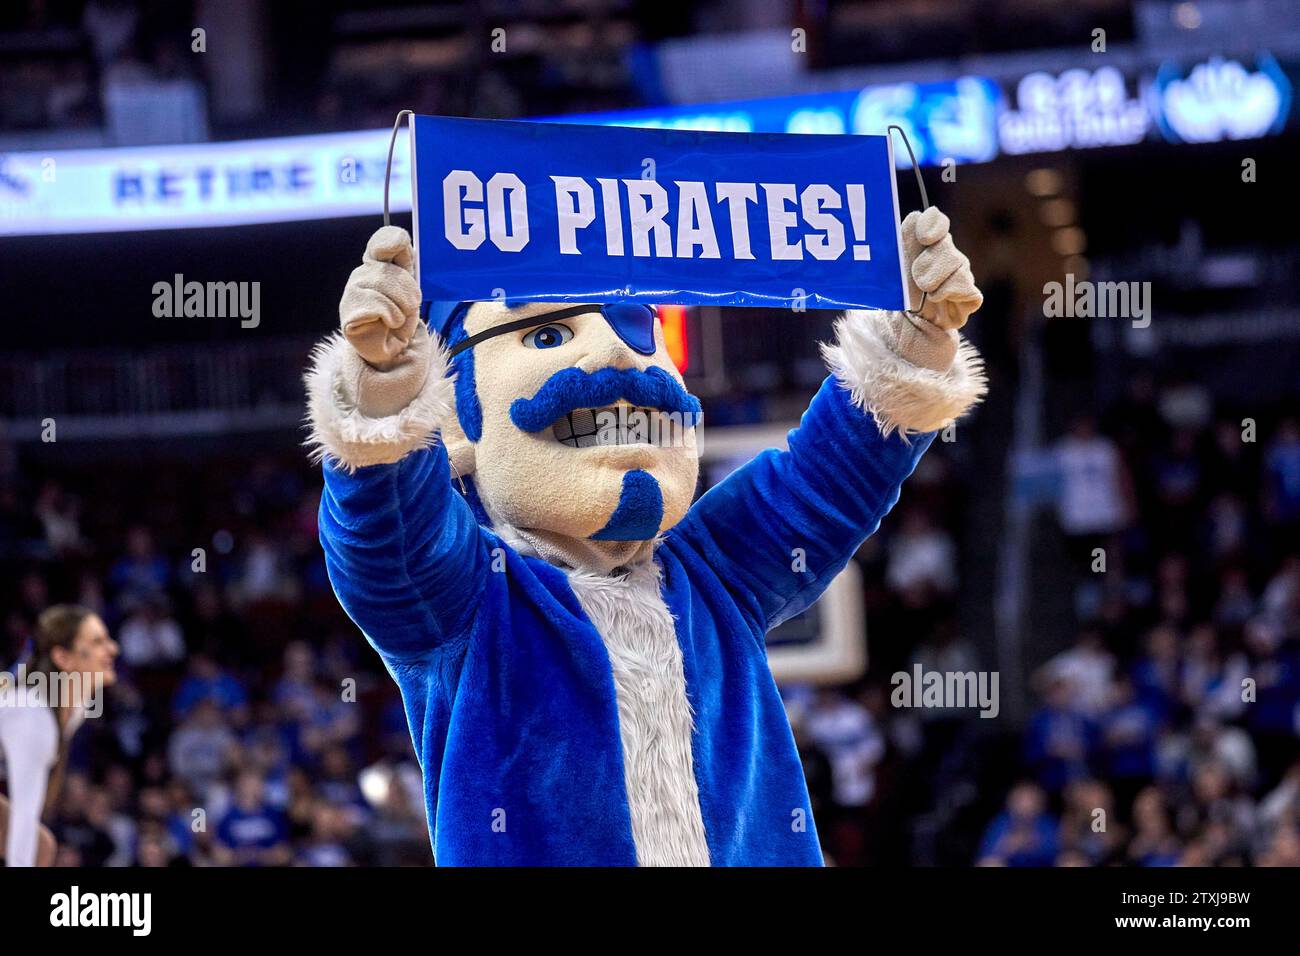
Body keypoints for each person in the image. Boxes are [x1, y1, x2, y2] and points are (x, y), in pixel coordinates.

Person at [305, 207, 987, 865]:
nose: (618, 353)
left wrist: (910, 343)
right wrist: (384, 403)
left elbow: (826, 481)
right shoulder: (472, 602)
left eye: (638, 327)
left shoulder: (712, 573)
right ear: (455, 420)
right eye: (546, 334)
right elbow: (388, 541)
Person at [0, 605, 119, 866]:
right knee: (32, 844)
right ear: (64, 658)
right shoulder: (32, 717)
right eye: (97, 642)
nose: (113, 649)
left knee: (42, 847)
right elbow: (24, 814)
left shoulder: (76, 707)